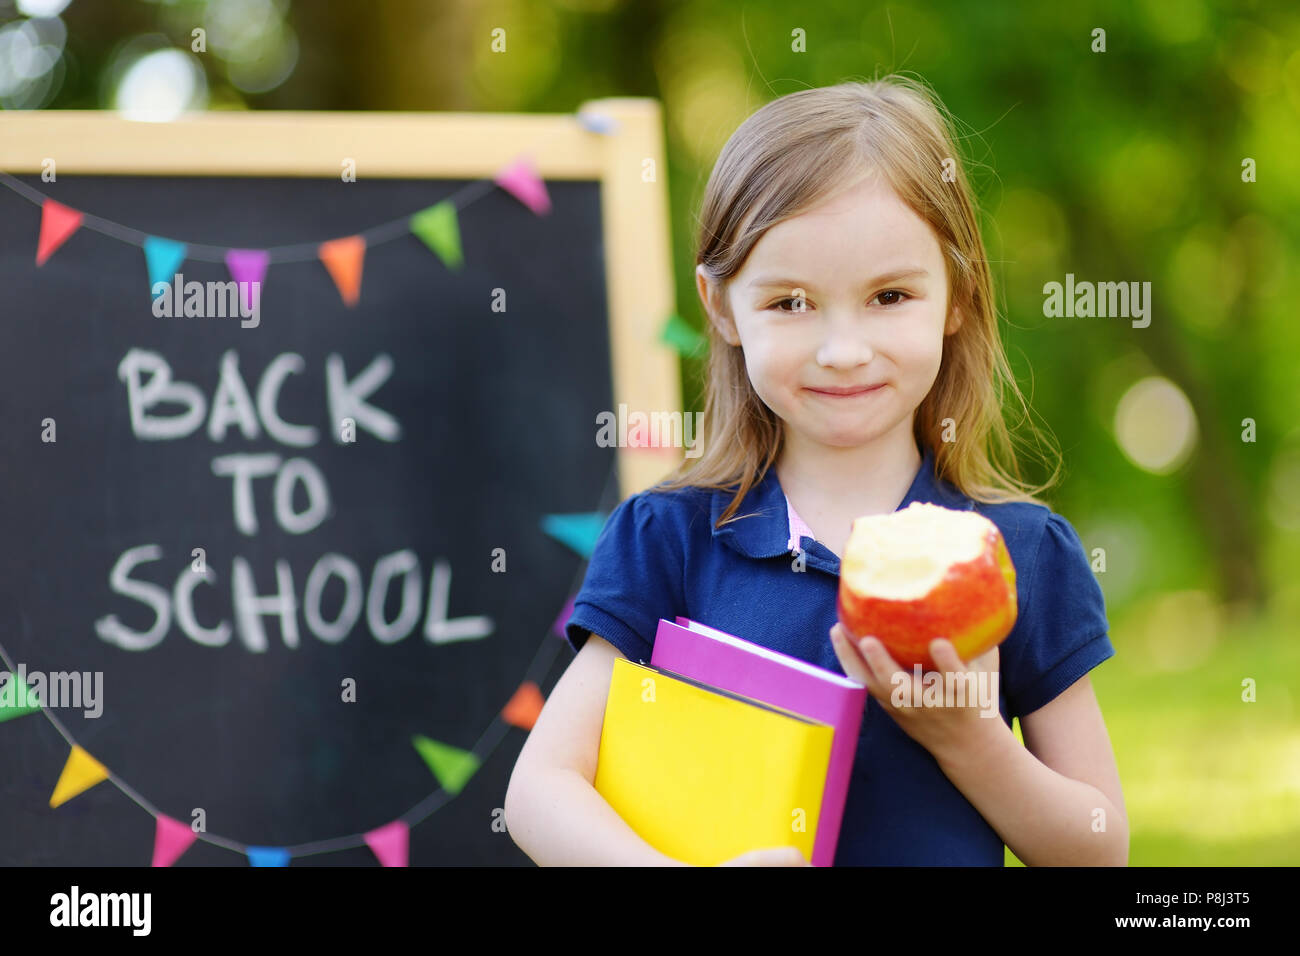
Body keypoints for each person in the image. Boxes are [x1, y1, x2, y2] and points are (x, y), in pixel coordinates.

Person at [504, 74, 1127, 867]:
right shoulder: (670, 538)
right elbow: (541, 790)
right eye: (792, 303)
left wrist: (971, 744)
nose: (842, 349)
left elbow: (1100, 848)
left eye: (890, 295)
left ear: (957, 297)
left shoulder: (1021, 552)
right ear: (723, 308)